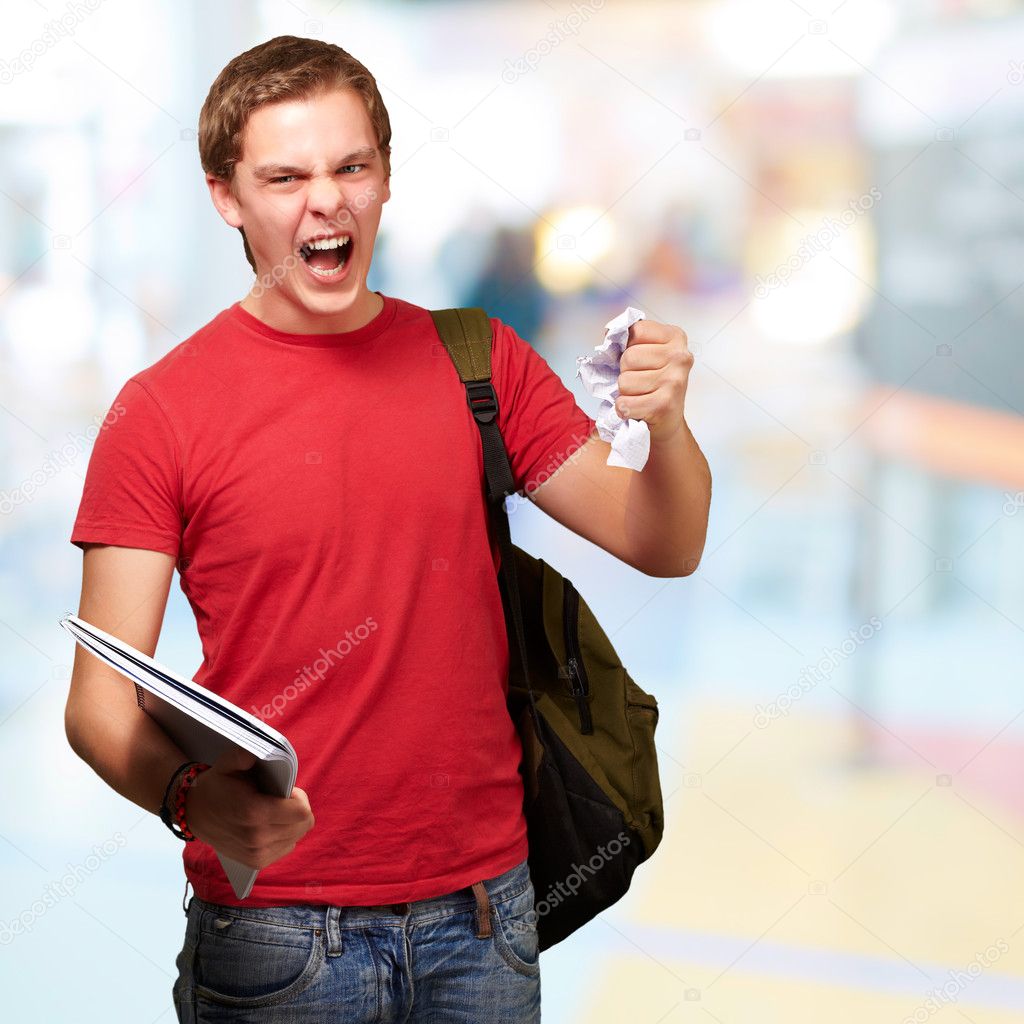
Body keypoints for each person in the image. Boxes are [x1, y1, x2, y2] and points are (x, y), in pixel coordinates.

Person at [63, 35, 711, 1023]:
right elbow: (99, 705)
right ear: (227, 198)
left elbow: (664, 545)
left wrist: (663, 427)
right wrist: (191, 796)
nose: (325, 201)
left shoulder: (477, 364)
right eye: (285, 176)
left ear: (384, 178)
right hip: (277, 930)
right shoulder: (161, 411)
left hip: (487, 917)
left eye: (350, 167)